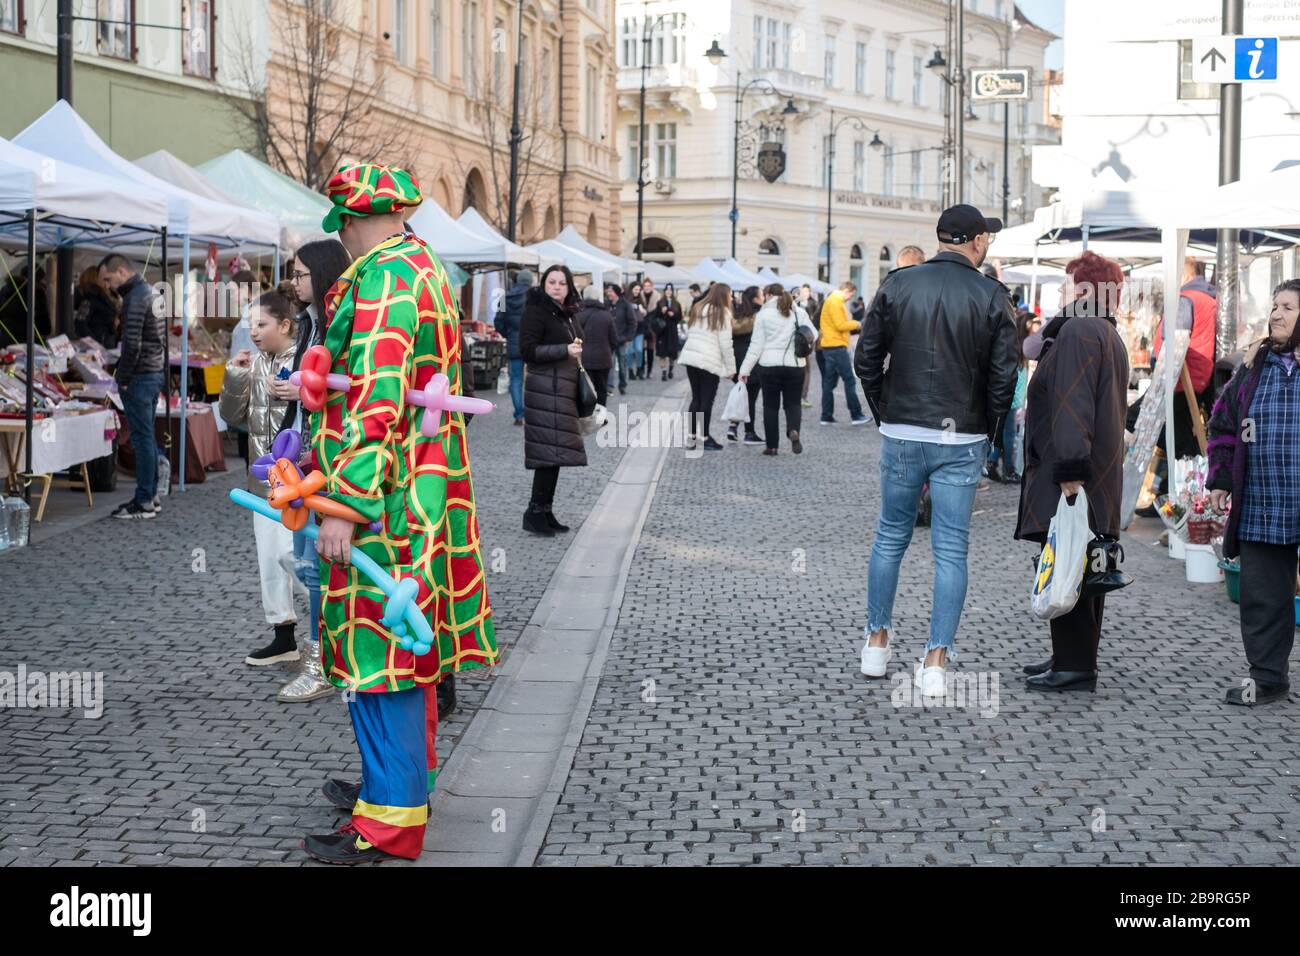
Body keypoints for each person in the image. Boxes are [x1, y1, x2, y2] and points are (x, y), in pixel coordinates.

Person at [304, 164, 498, 863]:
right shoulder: (424, 267)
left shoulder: (385, 277)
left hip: (387, 500)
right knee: (404, 654)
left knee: (378, 654)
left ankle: (388, 819)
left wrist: (344, 508)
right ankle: (391, 791)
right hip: (420, 491)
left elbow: (375, 402)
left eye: (345, 224)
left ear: (363, 219)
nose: (344, 238)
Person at [854, 204, 1018, 697]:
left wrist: (888, 412)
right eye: (987, 236)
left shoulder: (898, 283)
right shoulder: (992, 295)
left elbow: (867, 358)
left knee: (890, 537)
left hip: (904, 430)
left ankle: (877, 643)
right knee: (950, 549)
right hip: (961, 436)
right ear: (978, 240)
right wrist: (987, 432)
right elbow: (1003, 377)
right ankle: (934, 661)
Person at [1015, 252, 1130, 692]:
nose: (1060, 293)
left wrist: (1069, 471)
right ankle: (1069, 656)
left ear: (1085, 290)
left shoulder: (1081, 330)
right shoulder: (1098, 330)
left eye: (1066, 285)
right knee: (1079, 559)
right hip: (1091, 471)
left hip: (1077, 472)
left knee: (1072, 560)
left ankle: (1076, 665)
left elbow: (1072, 406)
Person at [1207, 278, 1300, 706]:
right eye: (1274, 306)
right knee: (1263, 597)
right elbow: (1224, 424)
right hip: (1263, 501)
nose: (1276, 315)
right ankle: (1267, 679)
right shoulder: (1253, 367)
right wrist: (1222, 478)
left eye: (1287, 307)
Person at [275, 237, 352, 704]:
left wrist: (301, 392)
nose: (293, 281)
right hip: (303, 455)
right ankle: (323, 653)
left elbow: (342, 392)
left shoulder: (342, 325)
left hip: (331, 460)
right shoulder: (309, 324)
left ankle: (324, 660)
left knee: (319, 566)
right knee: (307, 562)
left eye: (300, 274)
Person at [219, 287, 302, 671]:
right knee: (269, 560)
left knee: (293, 555)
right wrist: (235, 374)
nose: (253, 332)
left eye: (261, 324)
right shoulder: (253, 363)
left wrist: (298, 391)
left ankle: (332, 620)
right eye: (251, 324)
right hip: (262, 478)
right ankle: (283, 636)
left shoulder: (305, 359)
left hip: (300, 479)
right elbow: (233, 416)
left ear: (285, 324)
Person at [521, 264, 587, 536]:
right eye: (552, 282)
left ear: (569, 286)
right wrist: (564, 349)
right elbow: (527, 350)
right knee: (548, 454)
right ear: (544, 284)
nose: (557, 287)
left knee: (556, 454)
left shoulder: (567, 314)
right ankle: (534, 512)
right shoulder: (536, 311)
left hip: (562, 390)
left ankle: (545, 510)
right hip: (544, 390)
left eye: (562, 282)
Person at [100, 255, 165, 520]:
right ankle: (151, 495)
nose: (107, 285)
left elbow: (132, 344)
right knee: (146, 436)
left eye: (108, 278)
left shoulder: (136, 297)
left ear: (122, 271)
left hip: (140, 376)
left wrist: (122, 377)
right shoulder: (147, 291)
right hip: (151, 372)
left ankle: (144, 501)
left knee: (142, 438)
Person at [740, 283, 818, 456]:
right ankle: (793, 430)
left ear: (767, 295)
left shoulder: (763, 315)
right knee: (793, 403)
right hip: (795, 365)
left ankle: (772, 446)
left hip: (769, 366)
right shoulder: (799, 312)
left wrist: (744, 371)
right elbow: (814, 334)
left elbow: (755, 346)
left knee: (770, 406)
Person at [677, 281, 735, 450]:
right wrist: (731, 369)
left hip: (692, 358)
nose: (731, 298)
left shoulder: (698, 308)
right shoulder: (722, 313)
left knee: (696, 398)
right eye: (730, 294)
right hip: (709, 360)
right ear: (723, 295)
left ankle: (692, 438)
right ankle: (705, 437)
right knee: (706, 401)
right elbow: (726, 343)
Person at [986, 314, 1032, 484]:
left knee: (1002, 434)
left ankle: (993, 463)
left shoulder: (1015, 346)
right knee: (1009, 435)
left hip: (1008, 398)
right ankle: (1006, 469)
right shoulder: (1021, 349)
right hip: (1011, 400)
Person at [818, 281, 870, 427]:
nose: (850, 298)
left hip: (830, 346)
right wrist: (858, 324)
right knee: (849, 381)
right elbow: (840, 325)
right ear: (847, 291)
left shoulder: (833, 300)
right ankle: (856, 414)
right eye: (851, 295)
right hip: (836, 347)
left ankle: (826, 416)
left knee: (829, 383)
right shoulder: (835, 302)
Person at [726, 285, 764, 445]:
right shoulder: (760, 314)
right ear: (755, 299)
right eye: (761, 295)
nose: (763, 298)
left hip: (736, 359)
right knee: (750, 398)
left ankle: (733, 427)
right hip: (750, 360)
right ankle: (749, 433)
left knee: (741, 394)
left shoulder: (737, 312)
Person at [498, 269, 534, 425]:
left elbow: (498, 321)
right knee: (534, 379)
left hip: (514, 342)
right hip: (533, 343)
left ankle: (519, 415)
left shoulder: (506, 297)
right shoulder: (535, 297)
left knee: (516, 380)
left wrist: (508, 334)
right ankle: (533, 413)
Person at [575, 283, 617, 409]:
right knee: (602, 388)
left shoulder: (578, 315)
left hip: (584, 359)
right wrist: (609, 350)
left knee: (585, 387)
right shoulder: (607, 316)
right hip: (603, 357)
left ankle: (588, 414)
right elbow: (614, 339)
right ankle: (601, 414)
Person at [73, 266, 120, 348]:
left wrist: (113, 323)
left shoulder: (101, 297)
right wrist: (95, 344)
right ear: (96, 278)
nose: (106, 280)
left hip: (105, 344)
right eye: (104, 277)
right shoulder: (91, 298)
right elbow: (80, 324)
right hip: (99, 347)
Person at [606, 283, 637, 395]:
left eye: (610, 291)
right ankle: (609, 387)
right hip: (609, 340)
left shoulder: (625, 305)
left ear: (616, 293)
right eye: (608, 291)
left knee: (622, 364)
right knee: (609, 363)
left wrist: (628, 337)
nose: (608, 293)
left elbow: (632, 322)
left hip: (622, 340)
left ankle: (622, 385)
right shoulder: (606, 304)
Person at [652, 283, 684, 379]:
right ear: (664, 291)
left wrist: (673, 314)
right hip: (662, 331)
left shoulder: (677, 303)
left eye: (670, 290)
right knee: (662, 352)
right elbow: (655, 316)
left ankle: (671, 368)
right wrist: (661, 312)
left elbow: (679, 317)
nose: (668, 292)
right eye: (667, 290)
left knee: (671, 352)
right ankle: (664, 372)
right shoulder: (660, 302)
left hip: (672, 330)